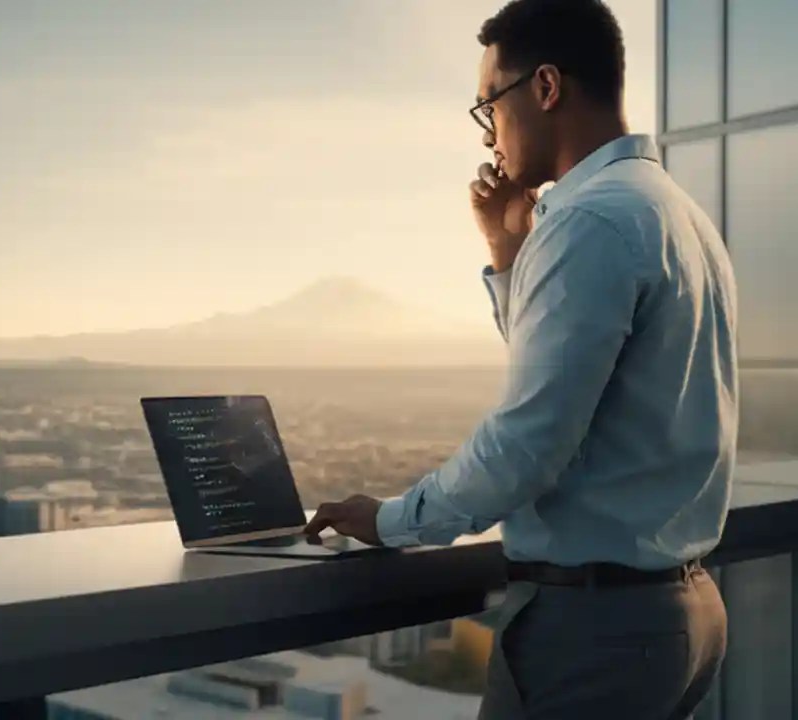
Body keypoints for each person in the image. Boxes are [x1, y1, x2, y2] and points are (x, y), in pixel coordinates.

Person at [303, 0, 738, 717]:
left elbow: (526, 445)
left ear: (544, 88)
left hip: (597, 631)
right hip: (683, 614)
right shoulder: (675, 213)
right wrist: (511, 253)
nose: (489, 133)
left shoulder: (589, 220)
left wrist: (388, 520)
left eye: (489, 105)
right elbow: (578, 382)